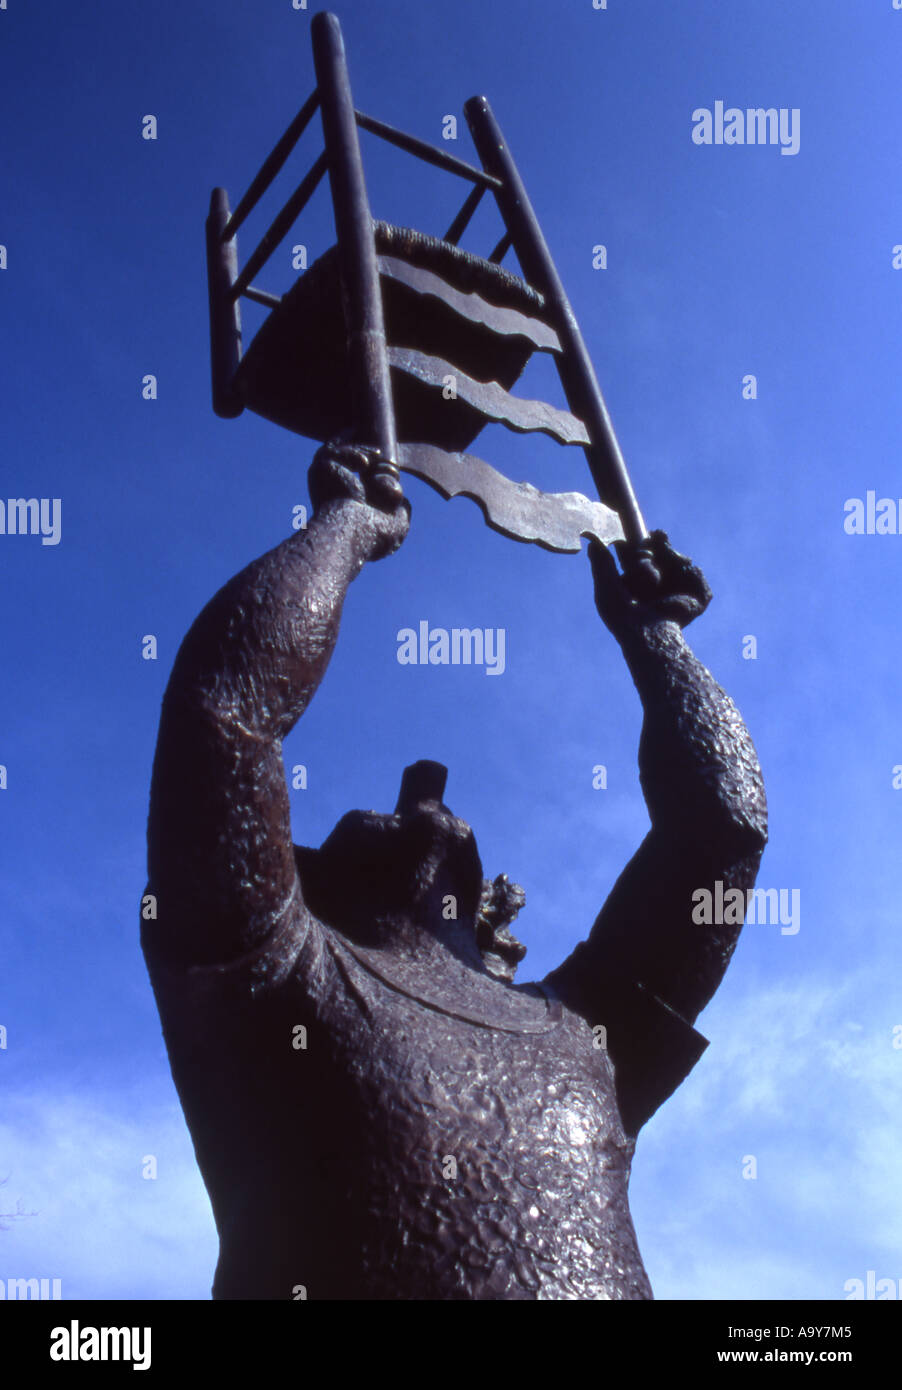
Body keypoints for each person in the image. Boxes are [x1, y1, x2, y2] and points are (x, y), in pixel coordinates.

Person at [142, 441, 767, 1300]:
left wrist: (657, 637)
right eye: (388, 817)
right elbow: (226, 716)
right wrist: (346, 525)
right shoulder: (273, 968)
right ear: (318, 884)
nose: (422, 789)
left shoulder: (585, 1032)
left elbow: (724, 834)